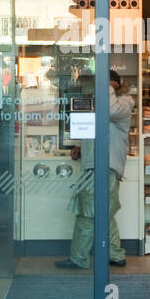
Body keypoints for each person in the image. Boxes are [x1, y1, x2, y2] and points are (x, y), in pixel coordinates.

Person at [56, 69, 134, 270]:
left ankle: (79, 258)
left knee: (87, 213)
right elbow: (96, 129)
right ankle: (115, 254)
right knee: (103, 214)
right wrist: (82, 147)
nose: (92, 87)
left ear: (113, 84)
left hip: (104, 167)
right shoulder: (103, 103)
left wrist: (105, 86)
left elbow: (110, 112)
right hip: (96, 165)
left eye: (99, 83)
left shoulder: (125, 102)